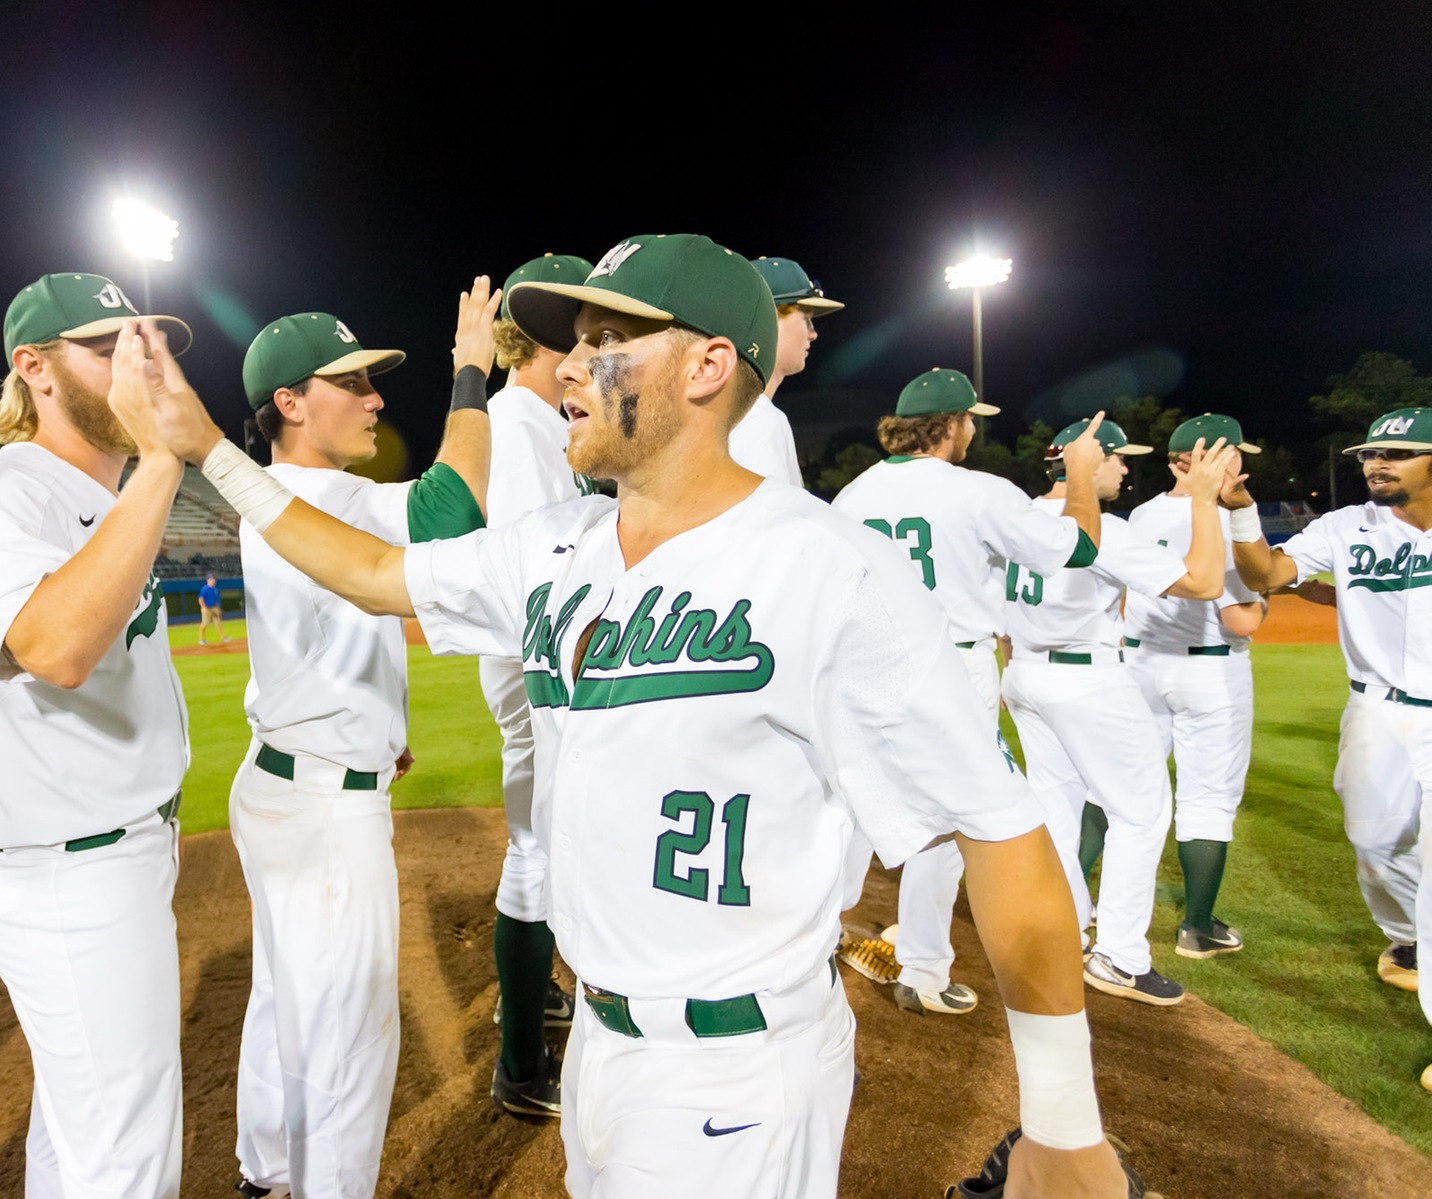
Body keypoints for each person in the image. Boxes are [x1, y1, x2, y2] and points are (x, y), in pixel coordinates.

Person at [154, 233, 1126, 1197]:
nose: (570, 365)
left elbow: (1004, 833)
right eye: (571, 340)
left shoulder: (831, 567)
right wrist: (208, 452)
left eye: (608, 338)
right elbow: (368, 570)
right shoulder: (556, 546)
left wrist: (1066, 1124)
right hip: (603, 1054)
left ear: (708, 365)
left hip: (737, 1071)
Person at [0, 271, 197, 1197]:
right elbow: (55, 647)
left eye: (147, 345)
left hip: (107, 851)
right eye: (108, 347)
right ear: (33, 368)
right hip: (71, 870)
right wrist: (165, 459)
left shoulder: (101, 491)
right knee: (125, 1161)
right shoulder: (0, 494)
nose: (140, 365)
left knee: (80, 1136)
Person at [230, 284, 496, 1198]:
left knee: (281, 996)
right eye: (352, 381)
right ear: (291, 405)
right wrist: (471, 373)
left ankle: (265, 1170)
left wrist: (376, 731)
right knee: (347, 1037)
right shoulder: (334, 492)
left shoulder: (278, 496)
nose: (377, 397)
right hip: (325, 811)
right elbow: (454, 512)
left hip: (278, 779)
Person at [831, 368, 1104, 1015]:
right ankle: (923, 970)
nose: (973, 429)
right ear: (951, 425)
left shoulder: (852, 494)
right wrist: (1084, 471)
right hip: (948, 669)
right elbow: (1081, 546)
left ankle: (813, 939)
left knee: (847, 808)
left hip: (857, 665)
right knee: (956, 818)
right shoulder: (977, 490)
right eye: (969, 419)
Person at [1222, 407, 1432, 1086]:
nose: (1377, 462)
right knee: (1373, 843)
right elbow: (1267, 576)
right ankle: (1410, 937)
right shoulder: (1347, 527)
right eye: (1371, 453)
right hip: (1376, 709)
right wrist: (1242, 511)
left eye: (1398, 452)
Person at [999, 418, 1234, 1007]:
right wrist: (1204, 502)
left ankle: (1064, 928)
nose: (1126, 469)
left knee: (1055, 808)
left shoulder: (1017, 514)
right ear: (1089, 461)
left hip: (1025, 672)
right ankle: (1121, 956)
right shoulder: (1105, 529)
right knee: (1143, 813)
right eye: (1118, 459)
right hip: (1087, 677)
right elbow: (1205, 582)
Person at [479, 253, 590, 1121]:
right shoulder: (515, 423)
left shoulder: (539, 418)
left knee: (547, 845)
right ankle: (521, 1061)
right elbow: (528, 570)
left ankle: (532, 995)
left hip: (548, 656)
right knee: (540, 849)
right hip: (535, 658)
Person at [1124, 414, 1267, 958]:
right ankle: (1198, 928)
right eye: (1235, 455)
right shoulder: (1223, 521)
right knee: (1206, 800)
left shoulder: (1140, 513)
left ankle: (1080, 903)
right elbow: (1241, 621)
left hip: (1139, 665)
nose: (1243, 465)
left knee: (1119, 788)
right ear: (1210, 459)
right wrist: (1266, 598)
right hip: (1209, 672)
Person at [727, 256, 842, 485]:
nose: (813, 333)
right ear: (767, 318)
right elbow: (766, 519)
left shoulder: (721, 409)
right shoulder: (758, 418)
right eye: (806, 320)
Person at [199, 571, 225, 644]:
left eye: (214, 579)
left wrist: (217, 609)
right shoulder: (205, 589)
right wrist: (203, 608)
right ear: (208, 580)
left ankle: (223, 637)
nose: (214, 580)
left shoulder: (215, 589)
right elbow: (200, 599)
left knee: (218, 622)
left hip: (213, 607)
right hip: (207, 608)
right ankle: (201, 639)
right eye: (212, 579)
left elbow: (214, 600)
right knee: (205, 623)